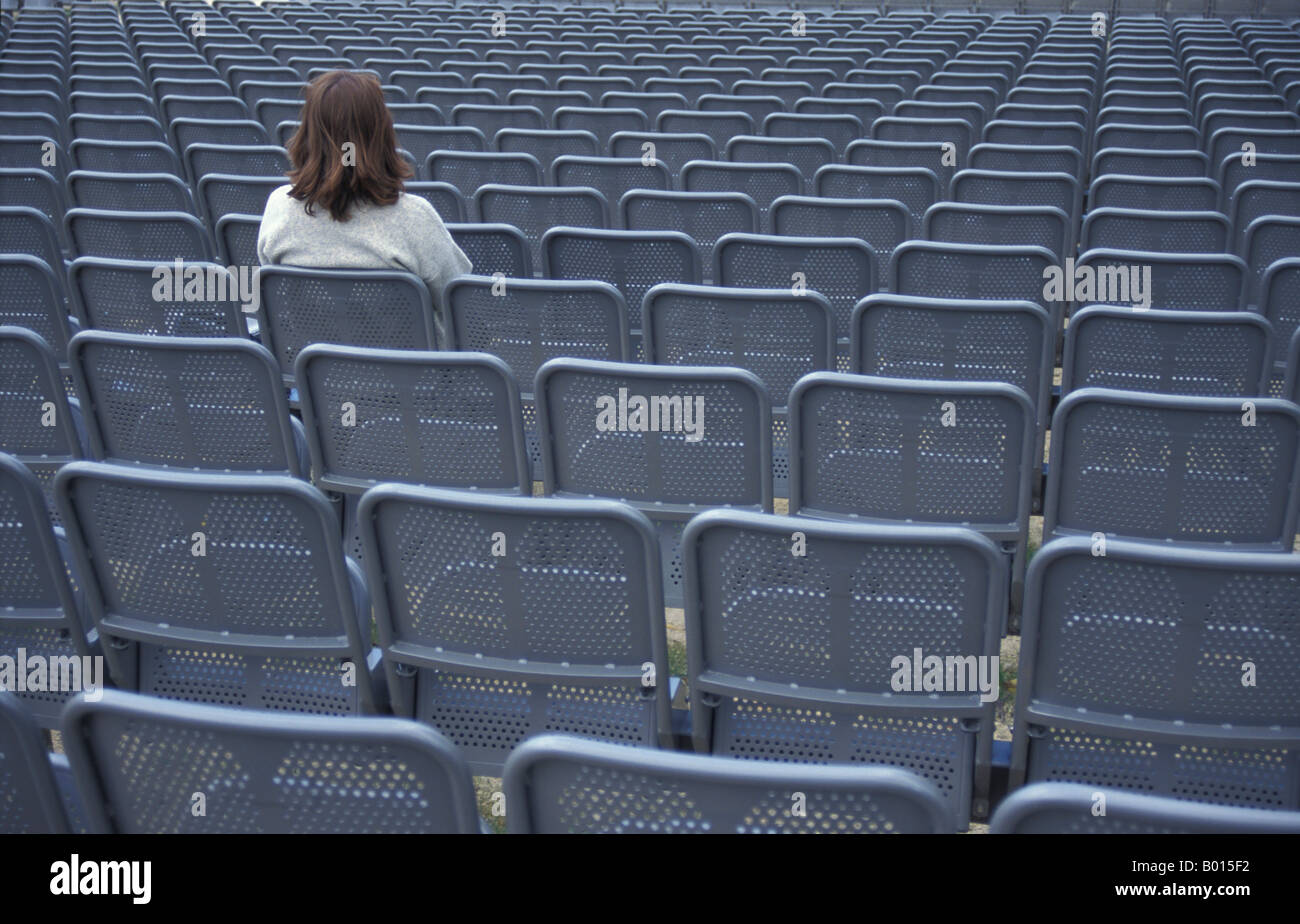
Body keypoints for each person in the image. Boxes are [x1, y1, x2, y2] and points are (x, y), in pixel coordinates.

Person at [257, 70, 470, 301]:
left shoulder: (279, 208)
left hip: (311, 339)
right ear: (382, 134)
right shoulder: (415, 218)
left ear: (308, 133)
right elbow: (460, 296)